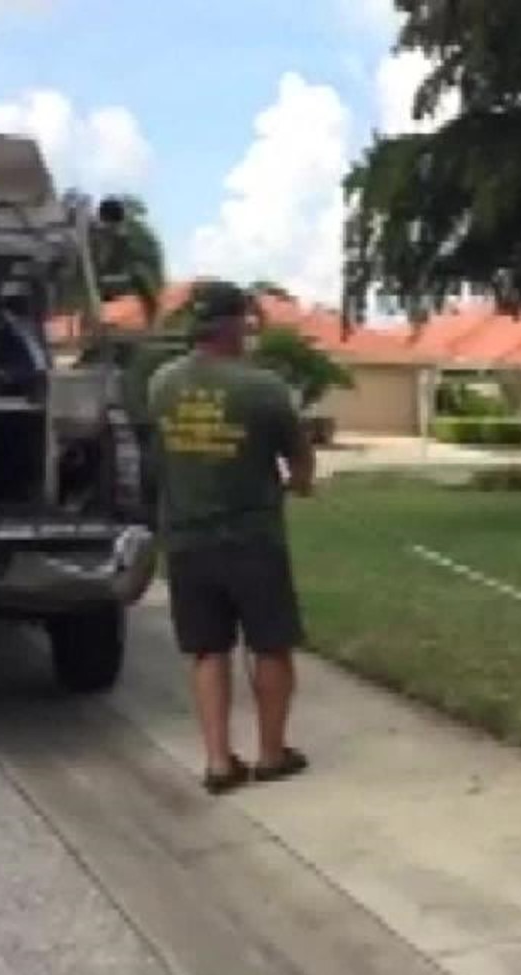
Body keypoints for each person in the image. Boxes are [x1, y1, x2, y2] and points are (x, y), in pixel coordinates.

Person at [148, 280, 317, 793]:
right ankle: (270, 754)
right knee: (271, 646)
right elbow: (300, 463)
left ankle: (219, 763)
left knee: (208, 651)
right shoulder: (264, 389)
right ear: (233, 325)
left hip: (186, 543)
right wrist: (301, 484)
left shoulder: (161, 384)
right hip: (252, 540)